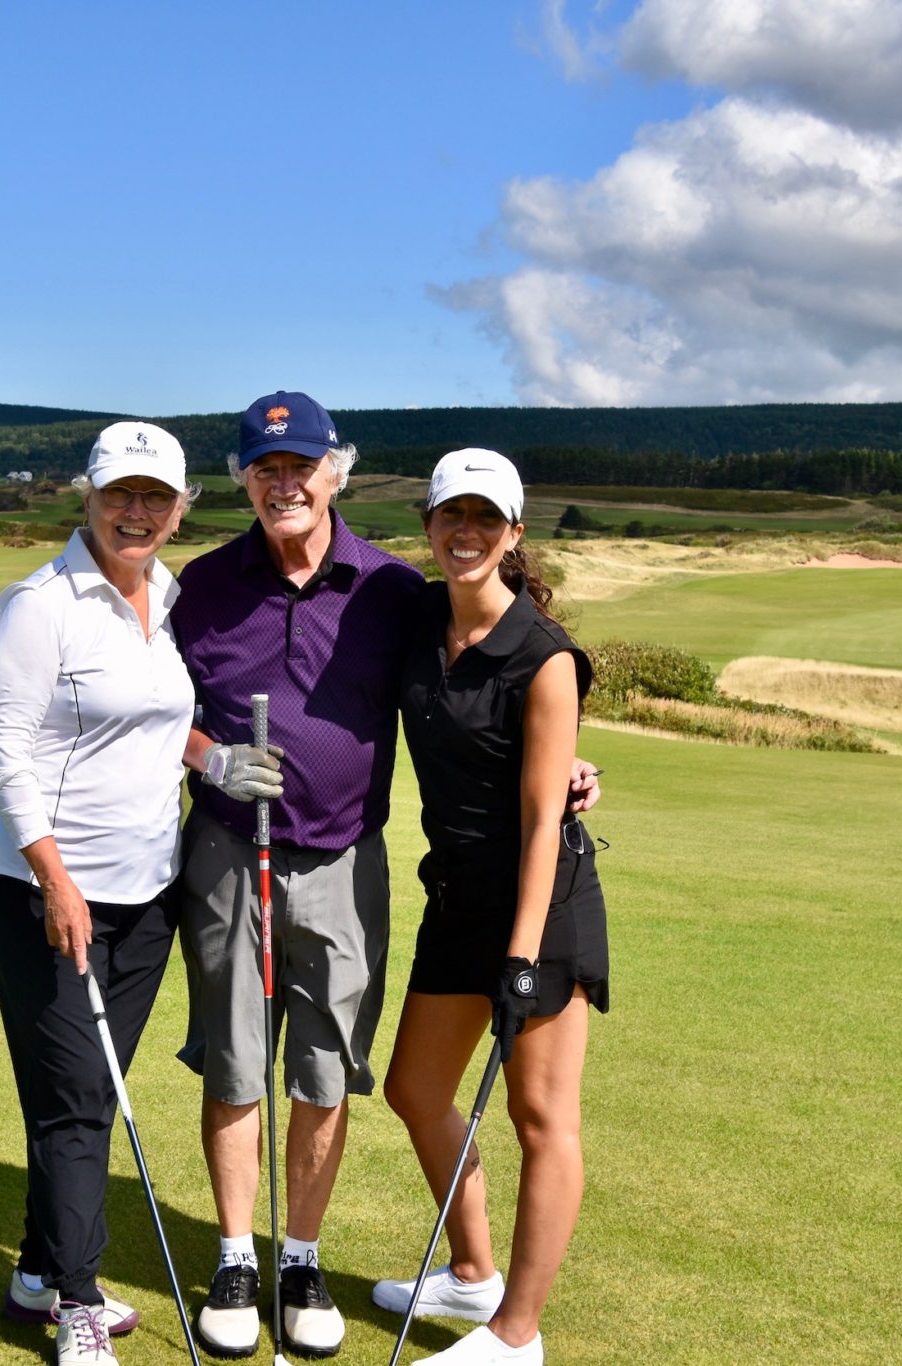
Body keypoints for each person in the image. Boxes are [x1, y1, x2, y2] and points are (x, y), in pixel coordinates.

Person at [170, 394, 599, 1360]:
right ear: (244, 477)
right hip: (235, 855)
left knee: (327, 1072)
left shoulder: (389, 591)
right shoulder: (199, 586)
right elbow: (160, 708)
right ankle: (240, 1257)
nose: (284, 484)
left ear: (337, 473)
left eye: (302, 467)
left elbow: (518, 685)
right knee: (242, 1062)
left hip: (348, 862)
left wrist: (568, 765)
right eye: (264, 468)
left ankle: (302, 1260)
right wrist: (208, 758)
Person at [0, 420, 246, 1366]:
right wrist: (55, 877)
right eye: (120, 494)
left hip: (150, 892)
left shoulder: (165, 598)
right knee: (77, 1099)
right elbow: (5, 753)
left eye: (156, 498)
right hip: (52, 895)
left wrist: (219, 761)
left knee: (87, 1092)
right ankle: (80, 1300)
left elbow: (158, 722)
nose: (137, 512)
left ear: (179, 511)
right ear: (85, 496)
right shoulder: (38, 605)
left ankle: (36, 1273)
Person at [371, 449, 609, 1366]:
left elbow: (546, 817)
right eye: (449, 515)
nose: (465, 532)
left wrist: (519, 959)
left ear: (515, 534)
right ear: (429, 525)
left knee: (541, 1116)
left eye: (486, 518)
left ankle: (516, 1335)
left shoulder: (543, 657)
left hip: (540, 906)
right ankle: (472, 1273)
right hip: (456, 895)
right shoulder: (422, 614)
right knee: (417, 1091)